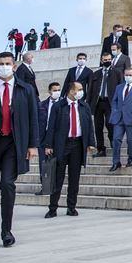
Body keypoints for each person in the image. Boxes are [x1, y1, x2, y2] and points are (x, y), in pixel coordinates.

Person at [0, 52, 39, 247]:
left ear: (14, 66)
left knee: (8, 184)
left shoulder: (25, 89)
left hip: (13, 143)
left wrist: (33, 144)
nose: (4, 67)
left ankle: (6, 230)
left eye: (7, 63)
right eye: (1, 64)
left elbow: (33, 117)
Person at [44, 82, 96, 218]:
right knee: (57, 178)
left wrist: (91, 142)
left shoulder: (84, 106)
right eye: (79, 89)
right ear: (72, 91)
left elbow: (89, 126)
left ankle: (71, 207)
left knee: (74, 178)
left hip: (78, 145)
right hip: (62, 145)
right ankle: (53, 208)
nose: (81, 92)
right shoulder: (58, 106)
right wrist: (48, 145)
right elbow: (51, 127)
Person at [108, 67, 132, 172]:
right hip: (119, 118)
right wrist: (115, 111)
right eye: (126, 75)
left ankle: (131, 159)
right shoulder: (119, 87)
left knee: (131, 141)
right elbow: (114, 100)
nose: (128, 77)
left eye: (130, 75)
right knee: (116, 139)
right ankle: (116, 162)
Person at [88, 51, 121, 157]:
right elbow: (90, 90)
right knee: (98, 127)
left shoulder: (116, 72)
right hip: (98, 103)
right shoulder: (96, 74)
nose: (107, 61)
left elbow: (120, 88)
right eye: (105, 60)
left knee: (109, 123)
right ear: (101, 61)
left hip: (110, 103)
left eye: (109, 60)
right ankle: (101, 149)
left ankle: (112, 140)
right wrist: (88, 104)